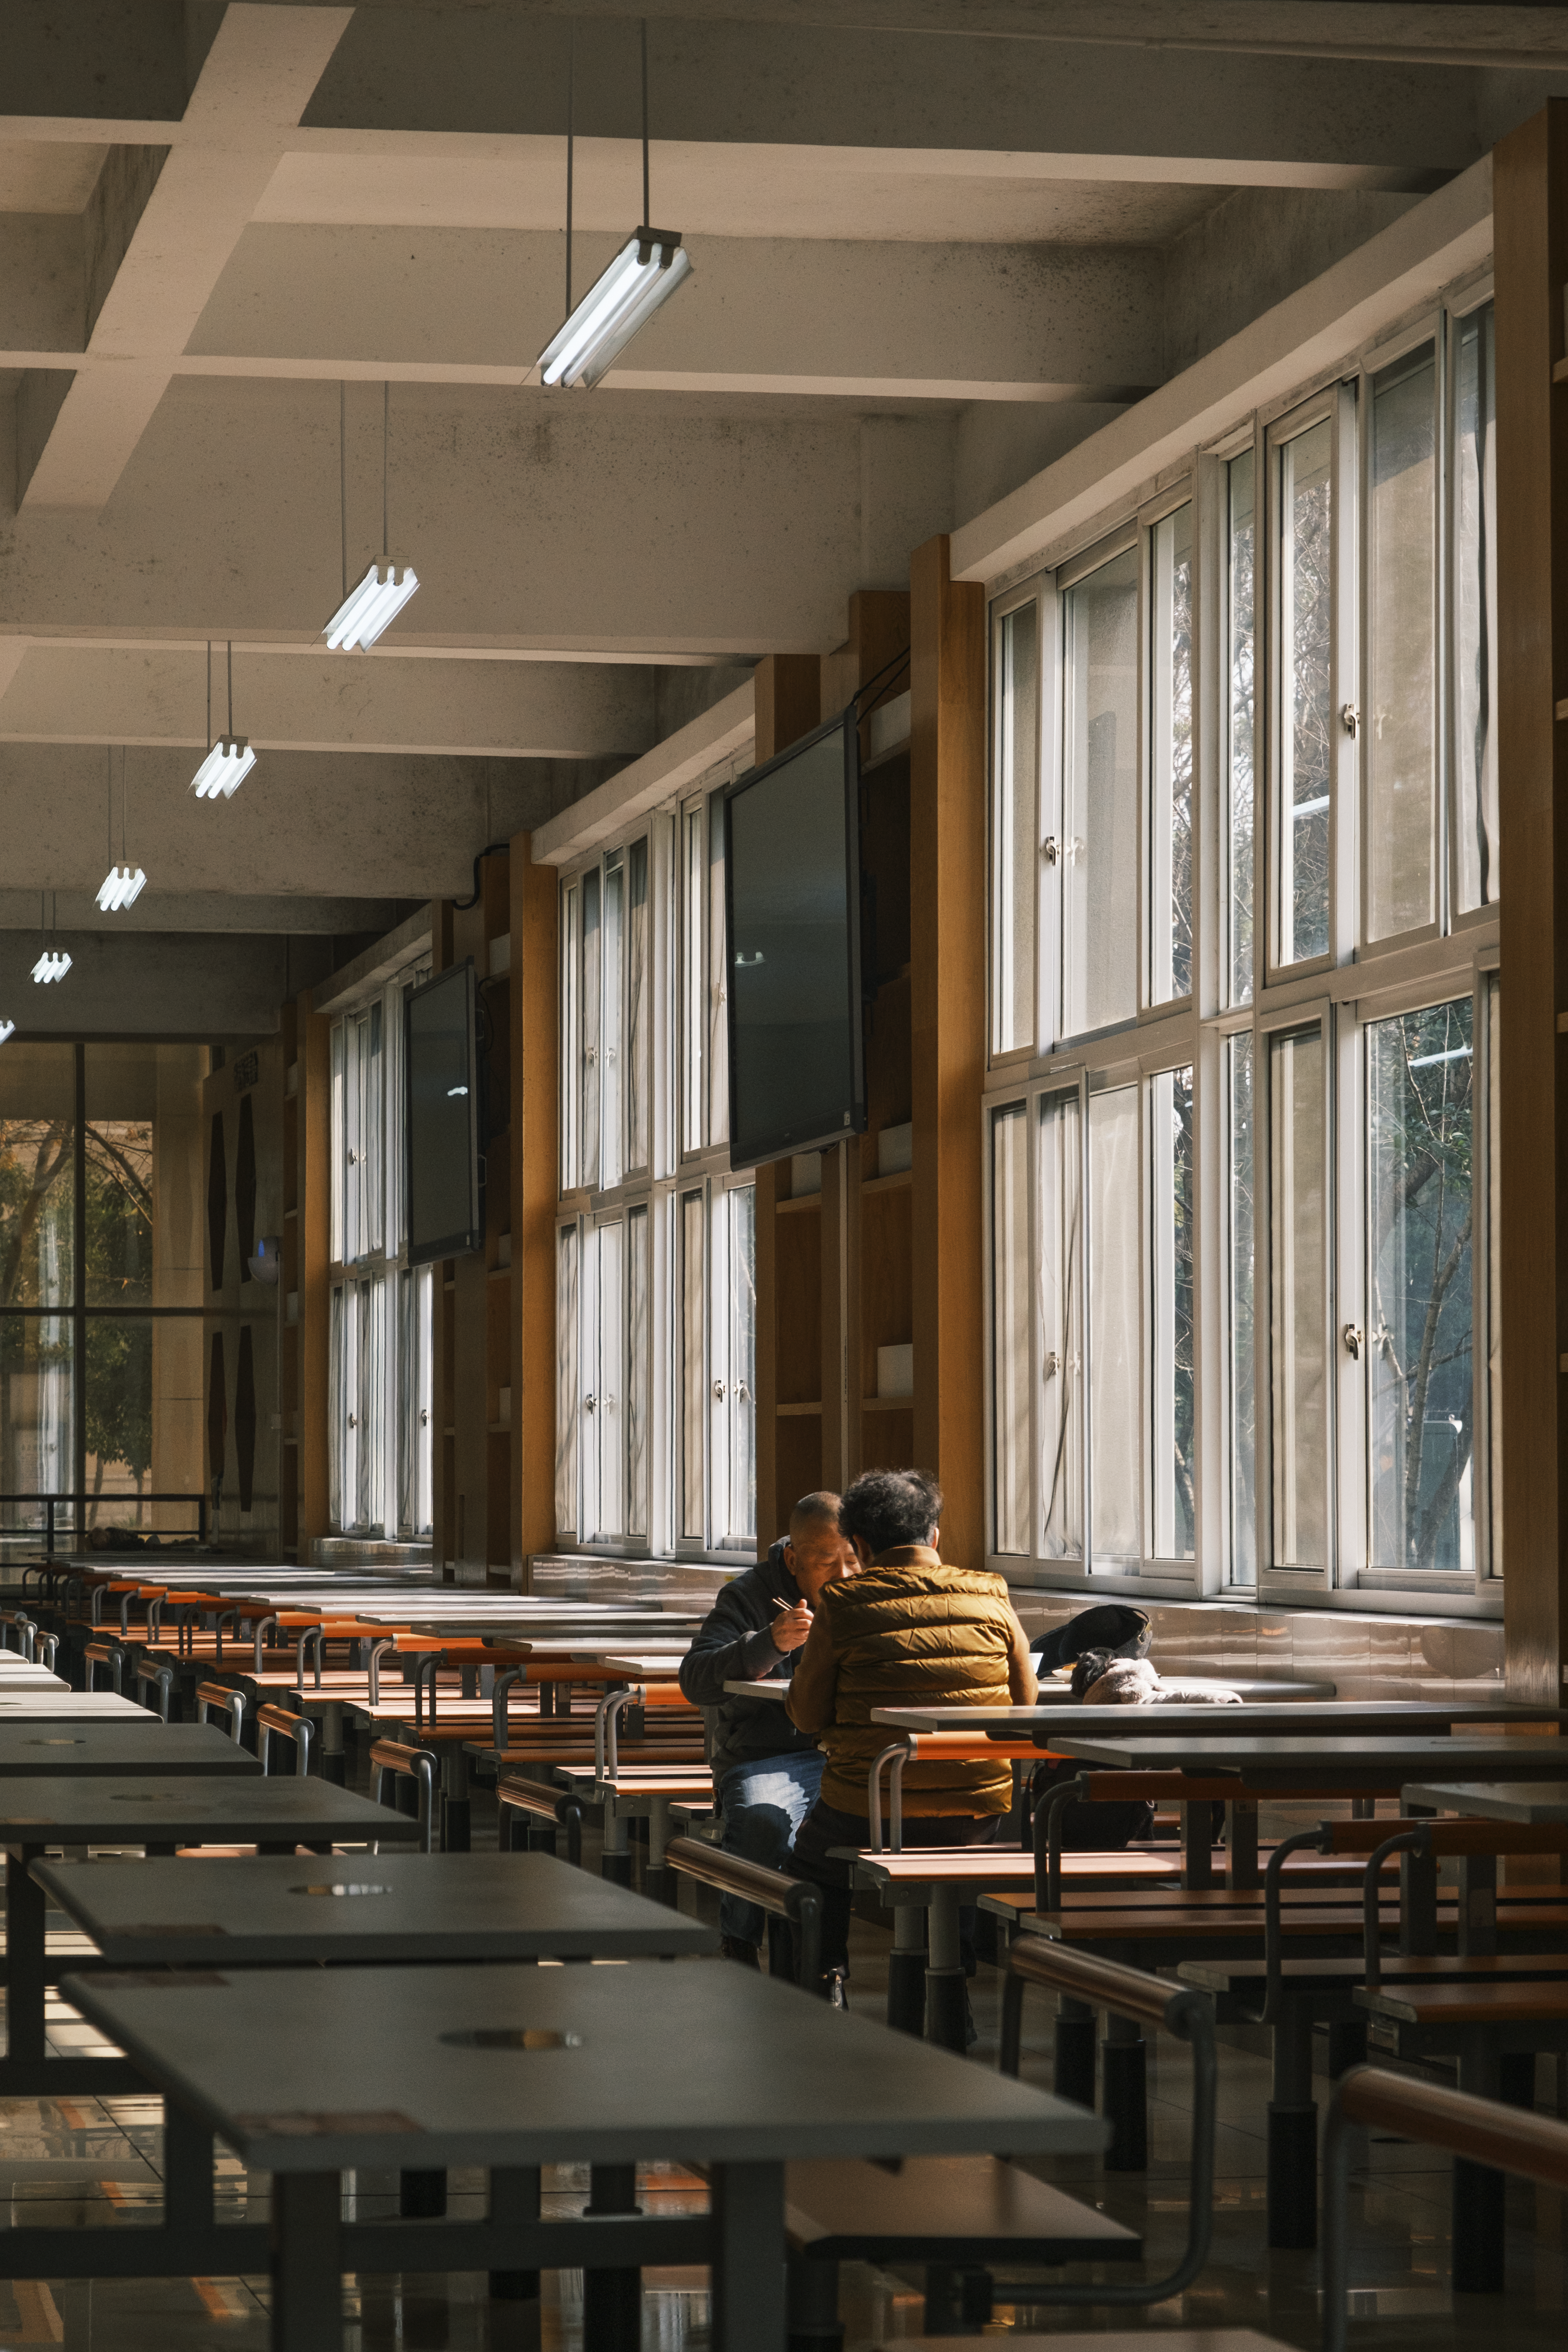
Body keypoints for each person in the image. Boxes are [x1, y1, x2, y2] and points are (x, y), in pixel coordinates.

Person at [785, 1466, 1037, 2007]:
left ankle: (825, 1982)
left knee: (808, 1863)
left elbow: (805, 1717)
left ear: (859, 1544)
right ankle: (955, 1984)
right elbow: (1026, 1705)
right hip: (976, 1807)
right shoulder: (992, 1594)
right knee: (957, 1850)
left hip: (870, 1804)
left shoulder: (843, 1603)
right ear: (935, 1536)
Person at [677, 1491, 854, 1965]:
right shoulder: (749, 1595)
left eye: (853, 1559)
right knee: (763, 1821)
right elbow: (695, 1680)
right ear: (794, 1559)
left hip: (854, 1755)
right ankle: (738, 1944)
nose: (843, 1575)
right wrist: (767, 1644)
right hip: (769, 1753)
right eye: (825, 1561)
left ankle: (823, 1967)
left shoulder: (874, 1593)